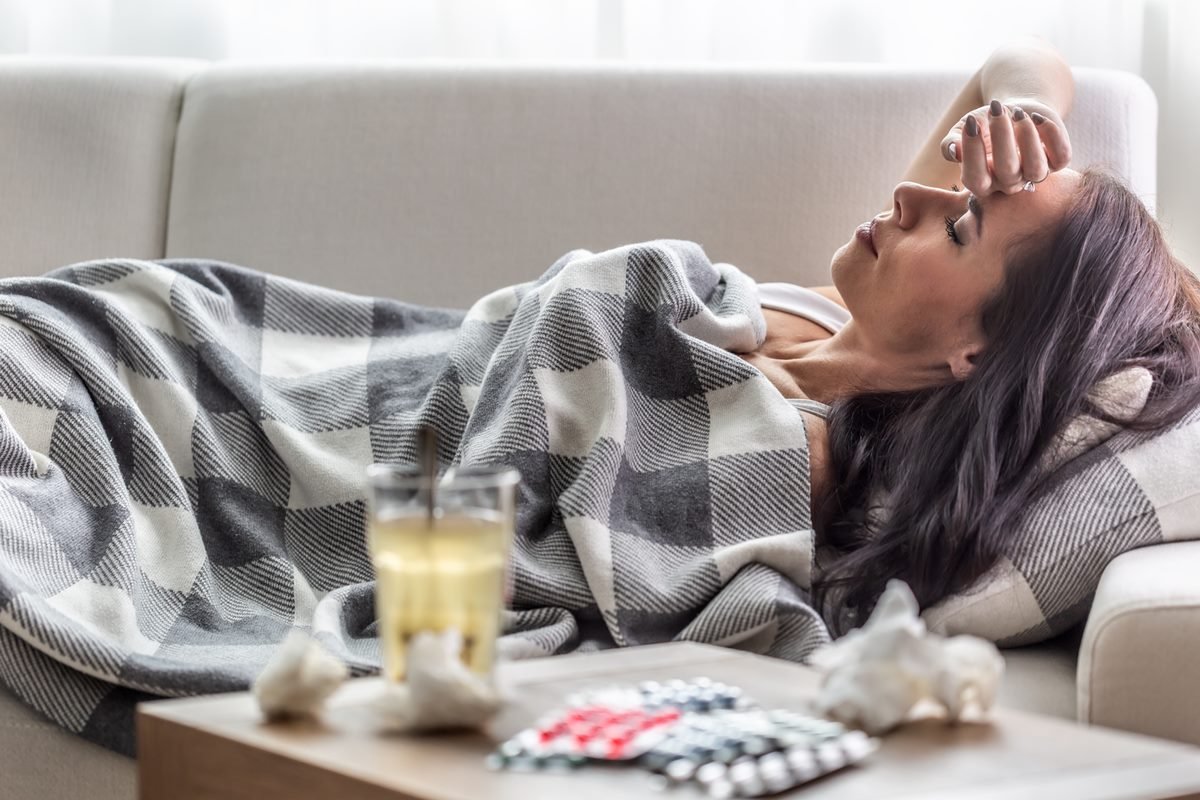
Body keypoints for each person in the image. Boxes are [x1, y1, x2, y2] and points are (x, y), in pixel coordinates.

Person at [736, 38, 1200, 631]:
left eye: (958, 227)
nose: (908, 196)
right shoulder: (850, 312)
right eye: (959, 187)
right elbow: (1015, 63)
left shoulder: (806, 449)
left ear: (975, 352)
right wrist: (1026, 111)